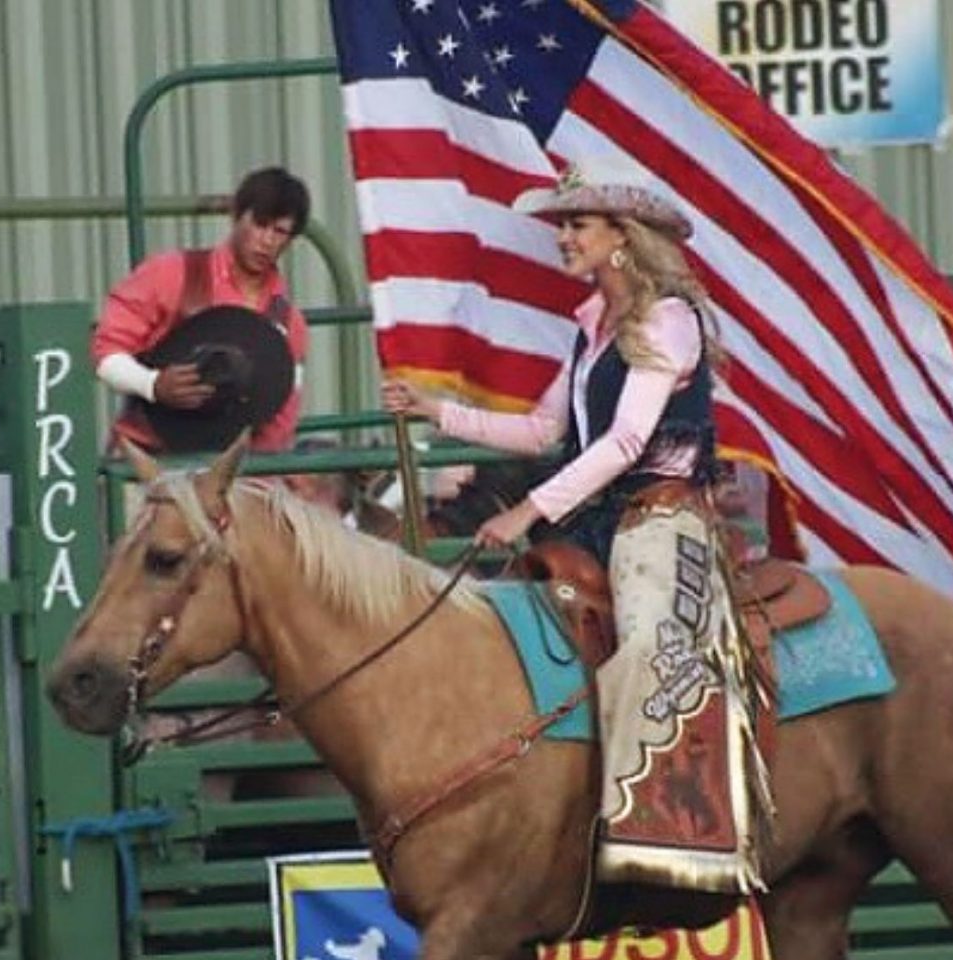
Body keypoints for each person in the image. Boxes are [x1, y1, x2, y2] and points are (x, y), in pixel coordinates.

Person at [383, 160, 766, 894]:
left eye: (577, 225)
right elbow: (542, 429)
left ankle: (669, 825)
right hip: (594, 521)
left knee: (654, 646)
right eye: (565, 225)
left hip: (662, 516)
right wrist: (438, 411)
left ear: (622, 240)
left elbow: (626, 443)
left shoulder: (669, 320)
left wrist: (528, 510)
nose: (563, 238)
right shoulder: (590, 330)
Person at [92, 165, 311, 454]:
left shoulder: (288, 323)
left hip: (234, 474)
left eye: (280, 231)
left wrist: (261, 477)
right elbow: (105, 351)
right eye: (259, 224)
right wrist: (152, 384)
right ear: (236, 215)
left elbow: (281, 411)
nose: (267, 240)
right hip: (147, 459)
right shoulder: (170, 274)